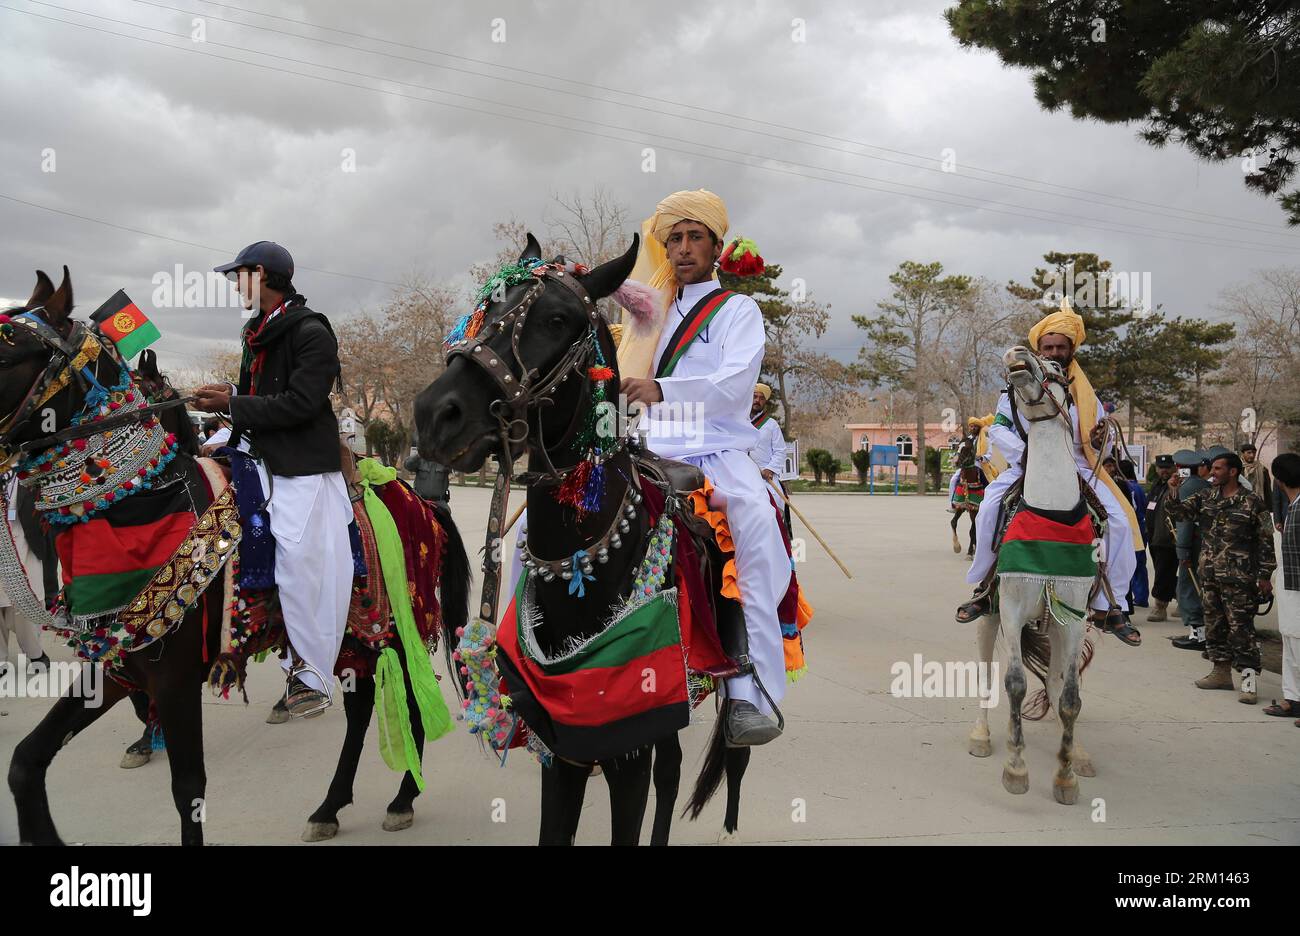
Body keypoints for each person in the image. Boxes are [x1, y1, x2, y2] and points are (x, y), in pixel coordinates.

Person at [619, 189, 792, 746]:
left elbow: (735, 384)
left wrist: (661, 388)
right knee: (537, 524)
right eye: (675, 238)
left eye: (696, 237)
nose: (684, 247)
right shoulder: (646, 311)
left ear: (718, 246)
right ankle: (528, 666)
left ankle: (750, 692)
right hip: (645, 443)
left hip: (714, 447)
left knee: (754, 525)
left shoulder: (738, 310)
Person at [194, 241, 353, 719]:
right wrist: (233, 395)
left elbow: (302, 403)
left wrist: (232, 405)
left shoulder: (311, 331)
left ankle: (312, 673)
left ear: (259, 274)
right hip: (258, 454)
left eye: (236, 276)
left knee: (299, 554)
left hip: (302, 465)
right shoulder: (256, 331)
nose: (232, 285)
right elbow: (264, 394)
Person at [956, 301, 1143, 646]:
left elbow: (1099, 432)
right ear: (1038, 350)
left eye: (1061, 347)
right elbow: (998, 429)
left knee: (1119, 521)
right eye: (1048, 347)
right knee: (987, 509)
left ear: (1071, 349)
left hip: (1079, 467)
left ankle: (1109, 604)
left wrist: (1102, 438)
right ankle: (984, 586)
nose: (1055, 352)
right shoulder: (1016, 388)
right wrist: (1025, 457)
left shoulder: (1088, 395)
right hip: (1026, 464)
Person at [1165, 452, 1276, 703]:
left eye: (1217, 468)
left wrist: (1265, 575)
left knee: (1242, 630)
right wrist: (1173, 490)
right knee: (1214, 626)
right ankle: (1221, 673)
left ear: (1233, 471)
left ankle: (1248, 681)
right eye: (1212, 468)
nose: (1212, 472)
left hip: (1240, 577)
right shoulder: (1206, 497)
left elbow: (1266, 542)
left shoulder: (1252, 502)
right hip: (1210, 574)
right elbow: (1180, 513)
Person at [1263, 452, 1300, 724]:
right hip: (1290, 590)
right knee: (1290, 643)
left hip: (1298, 592)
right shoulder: (1293, 506)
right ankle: (1292, 699)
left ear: (1278, 480)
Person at [1145, 454, 1179, 621]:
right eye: (1161, 467)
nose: (1164, 470)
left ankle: (1160, 606)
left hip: (1168, 537)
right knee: (1163, 571)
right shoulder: (1157, 485)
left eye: (1167, 467)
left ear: (1174, 467)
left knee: (1163, 572)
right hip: (1153, 536)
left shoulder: (1175, 485)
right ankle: (1183, 598)